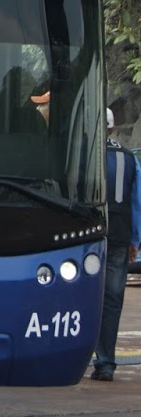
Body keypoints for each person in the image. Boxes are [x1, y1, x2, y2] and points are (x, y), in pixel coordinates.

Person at [92, 107, 141, 382]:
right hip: (119, 237)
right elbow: (137, 202)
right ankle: (106, 363)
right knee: (112, 299)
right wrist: (135, 240)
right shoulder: (128, 157)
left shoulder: (82, 154)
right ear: (113, 128)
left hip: (84, 236)